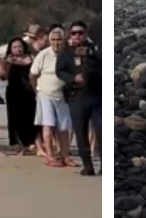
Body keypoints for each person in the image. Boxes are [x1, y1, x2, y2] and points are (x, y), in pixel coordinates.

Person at [58, 20, 102, 177]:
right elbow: (60, 71)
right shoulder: (66, 52)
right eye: (74, 33)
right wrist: (72, 78)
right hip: (77, 97)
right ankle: (87, 165)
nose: (77, 36)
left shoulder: (95, 50)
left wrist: (91, 57)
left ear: (85, 34)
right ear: (70, 35)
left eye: (80, 33)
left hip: (96, 96)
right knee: (80, 132)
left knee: (101, 130)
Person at [32, 27, 72, 167]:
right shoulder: (43, 54)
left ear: (64, 40)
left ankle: (65, 156)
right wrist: (37, 91)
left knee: (64, 127)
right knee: (48, 125)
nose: (56, 43)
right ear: (50, 41)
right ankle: (49, 156)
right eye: (53, 40)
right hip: (45, 94)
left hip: (63, 95)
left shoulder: (68, 54)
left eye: (59, 40)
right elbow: (33, 74)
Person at [4, 36, 39, 155]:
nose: (17, 49)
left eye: (19, 46)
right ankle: (18, 144)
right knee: (15, 118)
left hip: (29, 92)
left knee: (30, 117)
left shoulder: (31, 58)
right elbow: (4, 76)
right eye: (14, 47)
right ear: (10, 49)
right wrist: (8, 63)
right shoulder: (8, 60)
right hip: (14, 92)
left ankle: (31, 143)